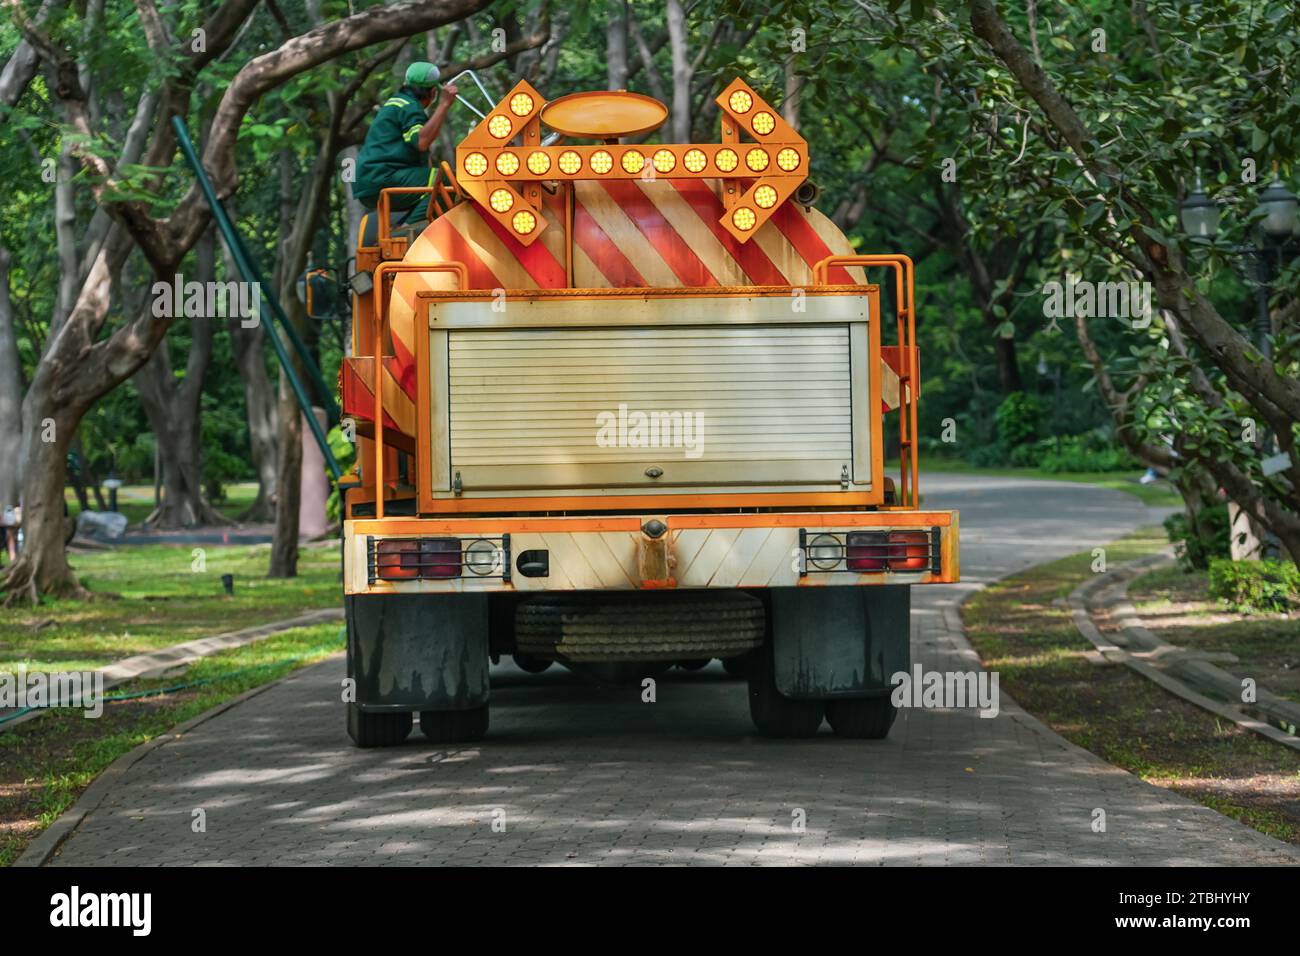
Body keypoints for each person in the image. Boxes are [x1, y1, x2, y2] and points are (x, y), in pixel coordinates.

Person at [354, 62, 459, 215]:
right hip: (383, 177)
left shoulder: (397, 103)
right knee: (449, 180)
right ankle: (413, 229)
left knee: (430, 182)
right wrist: (444, 105)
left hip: (371, 181)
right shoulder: (409, 107)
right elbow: (421, 142)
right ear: (433, 92)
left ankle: (402, 226)